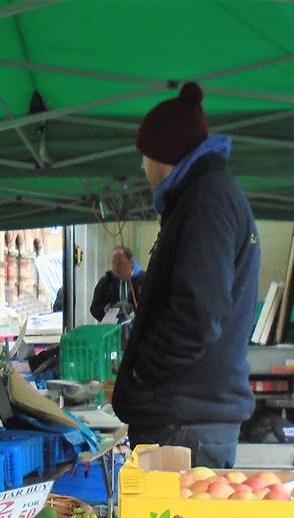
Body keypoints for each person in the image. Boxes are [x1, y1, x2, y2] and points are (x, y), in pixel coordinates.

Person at [111, 82, 259, 468]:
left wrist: (144, 372)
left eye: (144, 156)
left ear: (161, 156)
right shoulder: (207, 197)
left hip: (183, 422)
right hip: (189, 418)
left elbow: (198, 312)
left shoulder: (206, 200)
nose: (142, 167)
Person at [90, 245, 146, 322]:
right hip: (113, 329)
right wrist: (107, 310)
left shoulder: (145, 280)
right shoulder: (106, 282)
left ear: (131, 263)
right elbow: (94, 309)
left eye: (120, 263)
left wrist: (133, 308)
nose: (116, 267)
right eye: (113, 263)